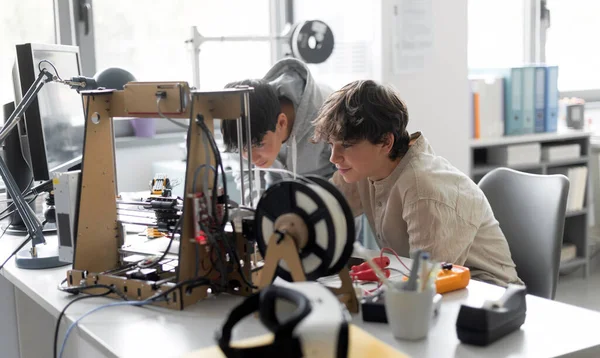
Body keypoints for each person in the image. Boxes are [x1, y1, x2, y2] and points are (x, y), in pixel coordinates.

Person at [312, 79, 522, 287]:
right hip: (431, 289)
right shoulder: (365, 168)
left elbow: (425, 286)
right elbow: (320, 211)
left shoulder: (423, 189)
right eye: (332, 144)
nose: (334, 157)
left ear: (386, 142)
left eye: (346, 145)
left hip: (488, 296)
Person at [221, 58, 335, 204]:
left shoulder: (327, 114)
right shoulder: (241, 120)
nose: (253, 159)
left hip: (327, 199)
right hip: (279, 194)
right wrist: (257, 210)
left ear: (281, 123)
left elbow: (346, 175)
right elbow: (246, 173)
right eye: (242, 149)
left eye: (259, 145)